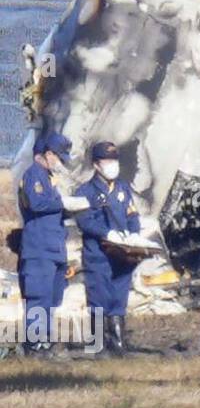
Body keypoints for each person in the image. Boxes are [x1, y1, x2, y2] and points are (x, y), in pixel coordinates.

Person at [17, 132, 86, 354]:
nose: (60, 162)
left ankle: (44, 342)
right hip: (39, 250)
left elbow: (52, 209)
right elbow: (37, 204)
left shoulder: (47, 178)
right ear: (47, 154)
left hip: (54, 249)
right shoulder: (33, 175)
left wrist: (71, 210)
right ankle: (35, 346)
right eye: (59, 157)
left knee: (52, 298)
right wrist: (63, 203)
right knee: (39, 298)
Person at [74, 142, 141, 354]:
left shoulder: (122, 188)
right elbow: (85, 221)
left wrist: (134, 235)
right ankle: (98, 345)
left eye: (115, 160)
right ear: (96, 165)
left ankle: (118, 343)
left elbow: (132, 215)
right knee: (99, 298)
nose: (113, 165)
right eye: (107, 161)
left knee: (118, 298)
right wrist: (106, 233)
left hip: (122, 254)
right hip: (98, 255)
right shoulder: (85, 191)